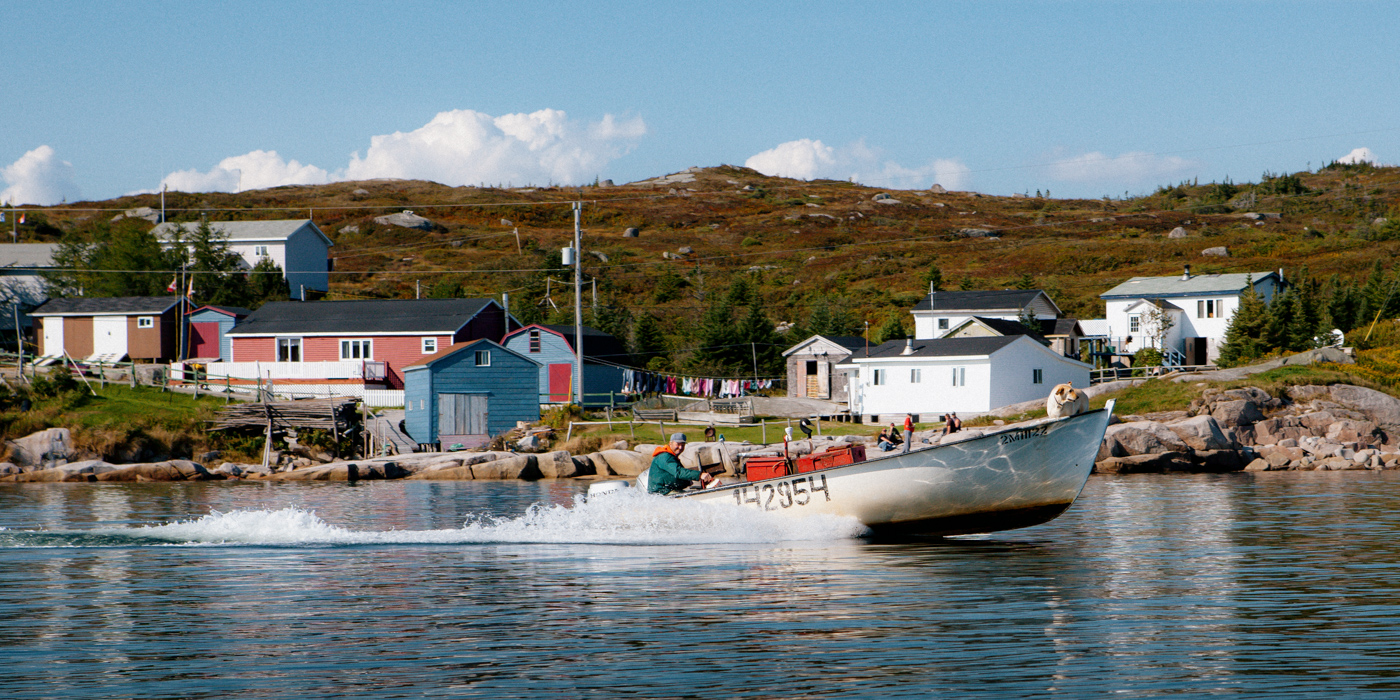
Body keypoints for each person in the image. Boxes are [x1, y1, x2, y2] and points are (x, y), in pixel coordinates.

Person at [646, 433, 713, 495]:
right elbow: (678, 472)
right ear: (670, 443)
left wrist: (687, 482)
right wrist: (700, 475)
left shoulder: (671, 457)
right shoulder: (665, 457)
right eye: (678, 444)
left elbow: (673, 477)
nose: (680, 447)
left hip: (668, 490)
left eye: (683, 445)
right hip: (661, 493)